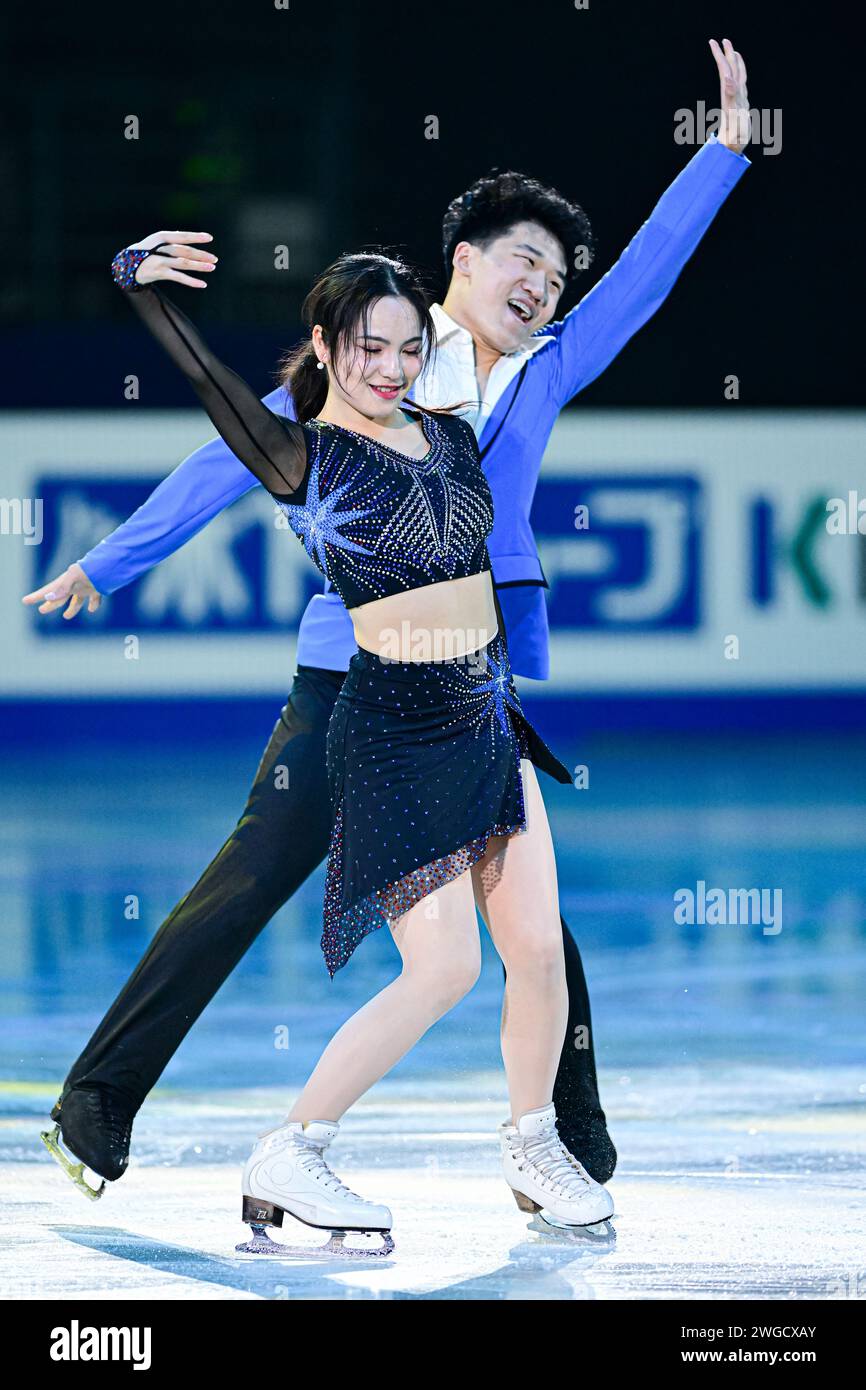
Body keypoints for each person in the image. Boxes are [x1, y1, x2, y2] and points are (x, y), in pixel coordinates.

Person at [31, 39, 751, 1205]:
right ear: (461, 261)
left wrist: (722, 151)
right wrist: (107, 566)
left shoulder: (547, 369)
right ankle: (94, 1106)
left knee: (537, 931)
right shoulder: (376, 363)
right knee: (248, 880)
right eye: (524, 261)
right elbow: (229, 458)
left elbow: (646, 276)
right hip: (350, 685)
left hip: (471, 687)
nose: (543, 286)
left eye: (557, 277)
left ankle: (557, 1140)